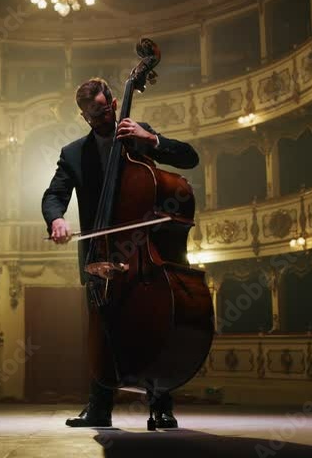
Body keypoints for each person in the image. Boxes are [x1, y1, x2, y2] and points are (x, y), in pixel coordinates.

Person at [41, 77, 200, 428]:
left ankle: (160, 402)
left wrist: (152, 140)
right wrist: (56, 221)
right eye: (88, 117)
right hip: (100, 251)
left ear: (113, 104)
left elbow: (190, 157)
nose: (96, 121)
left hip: (145, 252)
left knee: (154, 324)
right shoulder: (73, 154)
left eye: (100, 113)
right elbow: (55, 194)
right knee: (103, 328)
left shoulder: (136, 134)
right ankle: (99, 407)